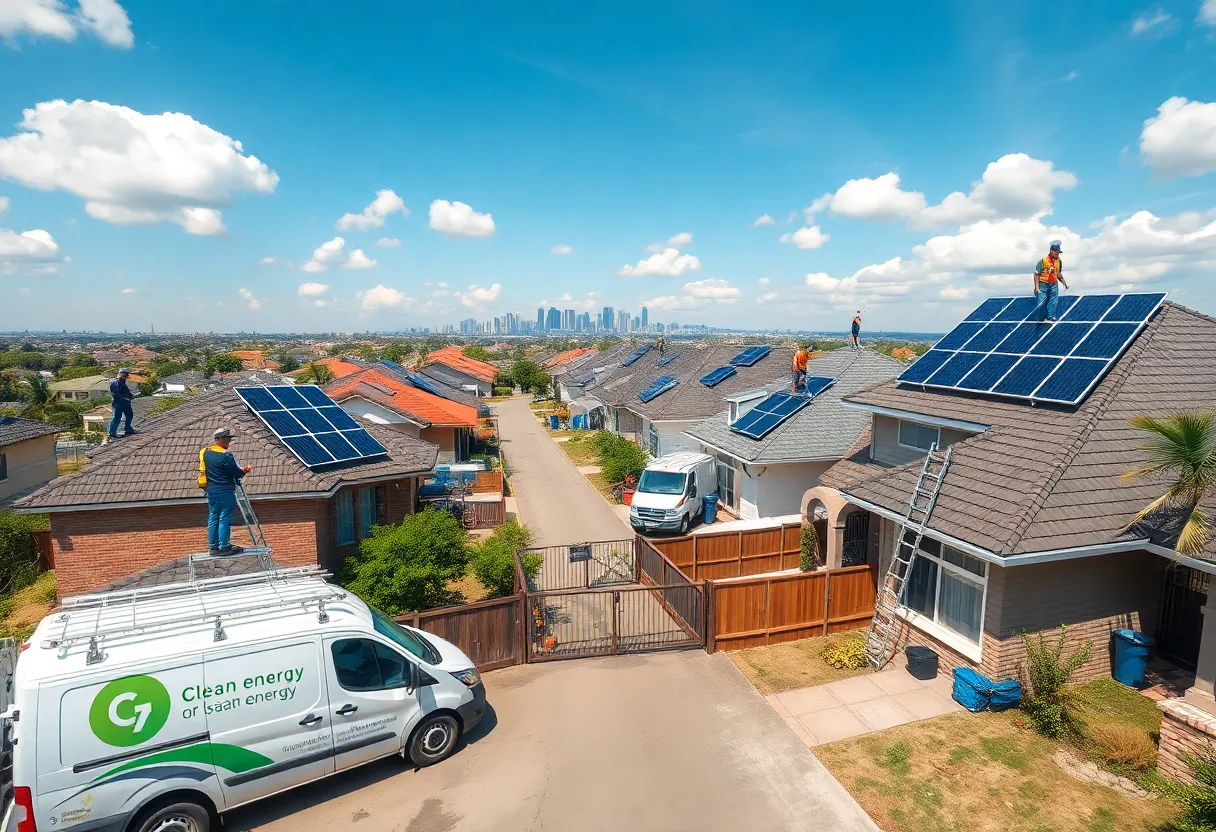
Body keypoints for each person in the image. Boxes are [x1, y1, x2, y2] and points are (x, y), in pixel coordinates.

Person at [198, 427, 253, 555]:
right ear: (221, 439)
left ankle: (213, 547)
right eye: (228, 439)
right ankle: (224, 546)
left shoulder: (206, 452)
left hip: (211, 491)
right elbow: (236, 473)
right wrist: (245, 470)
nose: (229, 442)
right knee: (224, 518)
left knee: (213, 517)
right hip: (225, 491)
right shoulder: (225, 456)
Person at [1033, 240, 1069, 322]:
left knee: (1053, 301)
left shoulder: (1059, 261)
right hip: (1043, 284)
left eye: (1058, 253)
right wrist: (1037, 288)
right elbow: (1036, 274)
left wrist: (1064, 283)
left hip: (1053, 284)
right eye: (1056, 252)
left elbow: (1059, 274)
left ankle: (1050, 317)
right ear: (1051, 251)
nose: (1057, 254)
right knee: (1041, 302)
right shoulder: (1043, 261)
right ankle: (1040, 318)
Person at [107, 368, 135, 438]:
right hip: (118, 403)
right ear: (119, 374)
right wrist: (124, 399)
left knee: (129, 415)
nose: (125, 377)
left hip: (126, 403)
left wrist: (130, 395)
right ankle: (112, 433)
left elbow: (126, 392)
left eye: (126, 376)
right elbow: (115, 394)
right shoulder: (115, 383)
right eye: (124, 375)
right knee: (117, 418)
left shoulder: (123, 382)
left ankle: (128, 428)